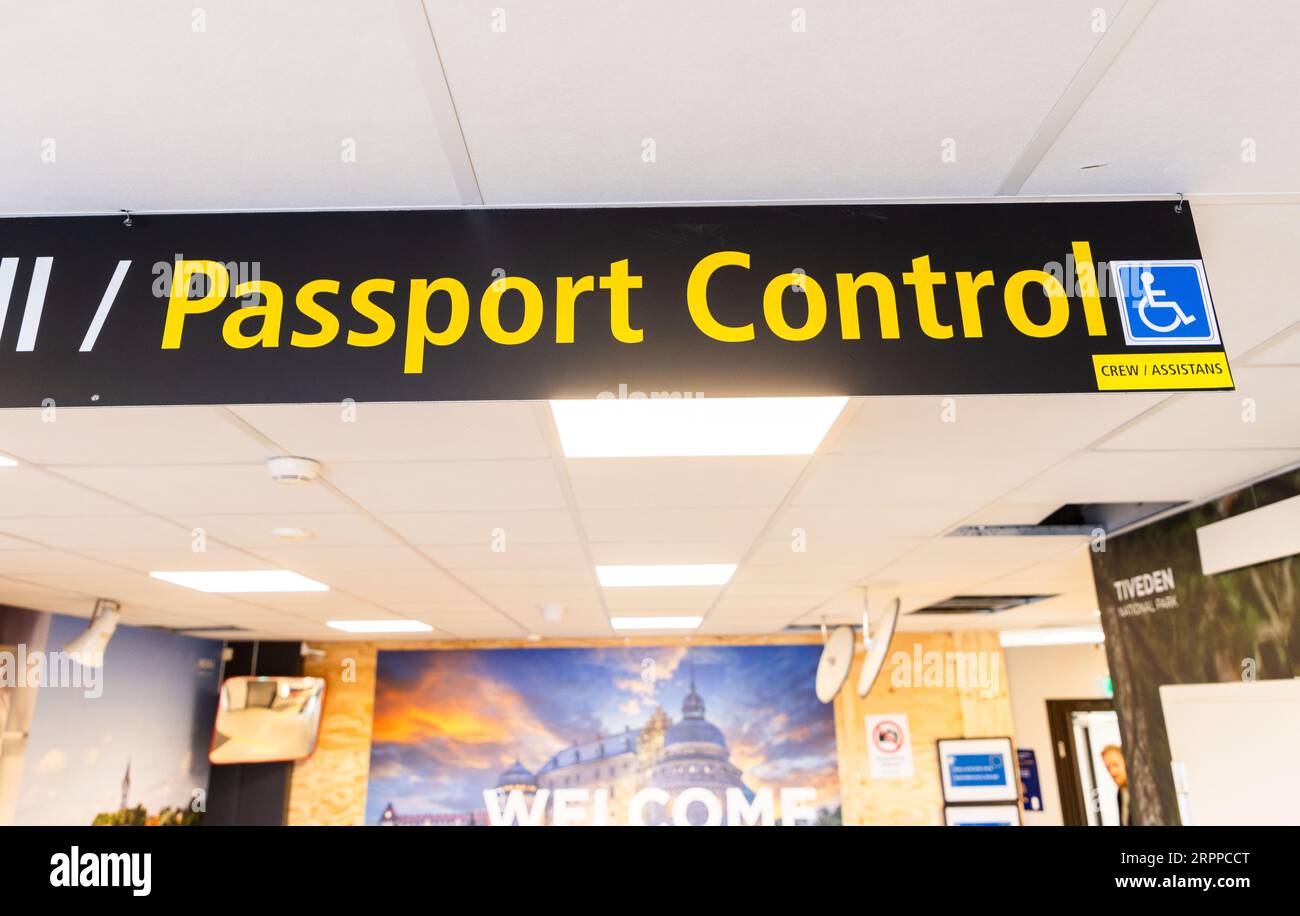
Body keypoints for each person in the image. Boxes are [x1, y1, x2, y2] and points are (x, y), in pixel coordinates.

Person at [1100, 744, 1131, 826]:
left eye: (1115, 765)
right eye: (1108, 768)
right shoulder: (1120, 794)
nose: (1112, 772)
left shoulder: (1140, 789)